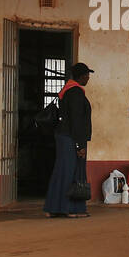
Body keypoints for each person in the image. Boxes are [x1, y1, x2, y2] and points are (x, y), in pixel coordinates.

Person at [44, 62, 93, 218]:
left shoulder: (68, 91)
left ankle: (55, 208)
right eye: (87, 75)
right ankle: (69, 208)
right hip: (71, 138)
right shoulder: (76, 93)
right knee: (71, 173)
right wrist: (79, 145)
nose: (88, 78)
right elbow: (76, 121)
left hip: (65, 136)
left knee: (63, 171)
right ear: (81, 76)